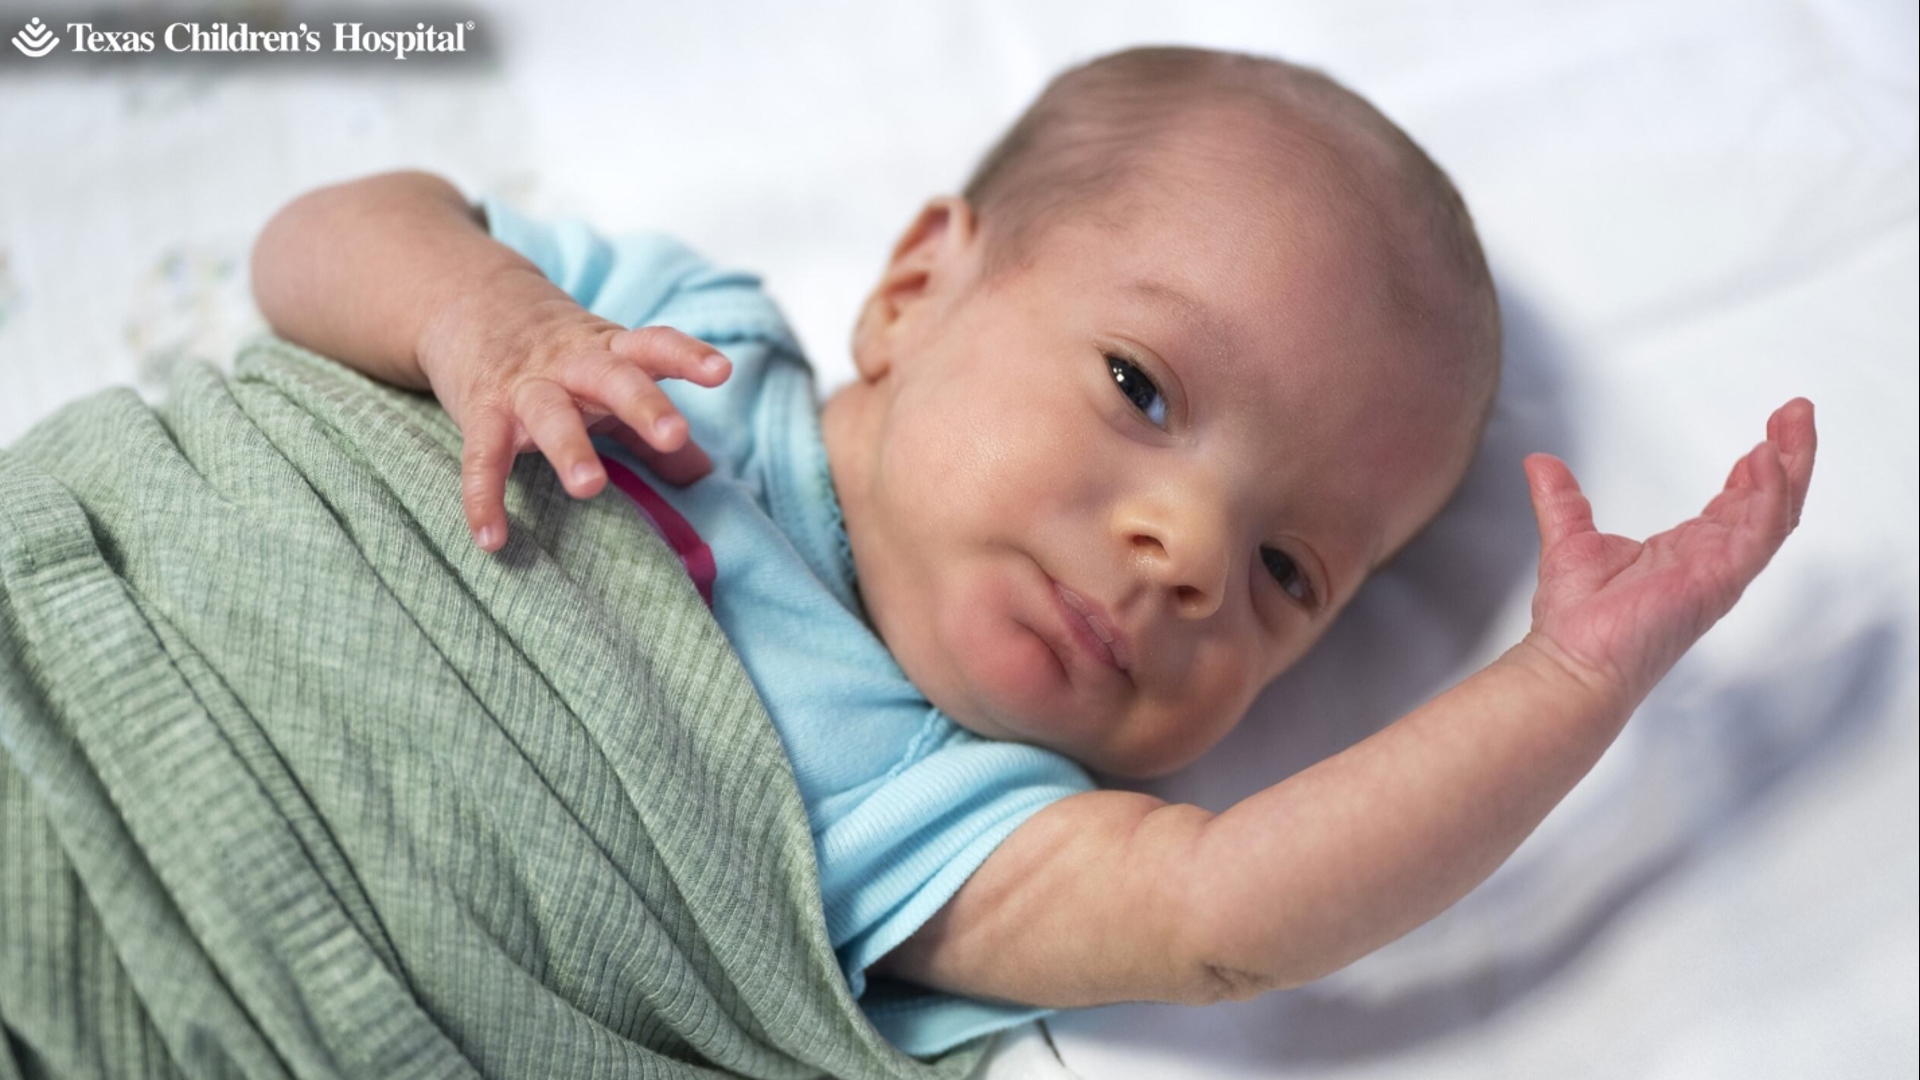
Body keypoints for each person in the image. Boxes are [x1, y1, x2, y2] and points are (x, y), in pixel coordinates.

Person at [250, 46, 1816, 1056]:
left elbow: (1226, 920)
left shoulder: (958, 822)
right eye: (1142, 387)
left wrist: (1567, 683)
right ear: (919, 285)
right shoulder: (663, 343)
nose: (1190, 549)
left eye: (1289, 574)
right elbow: (317, 247)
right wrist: (486, 322)